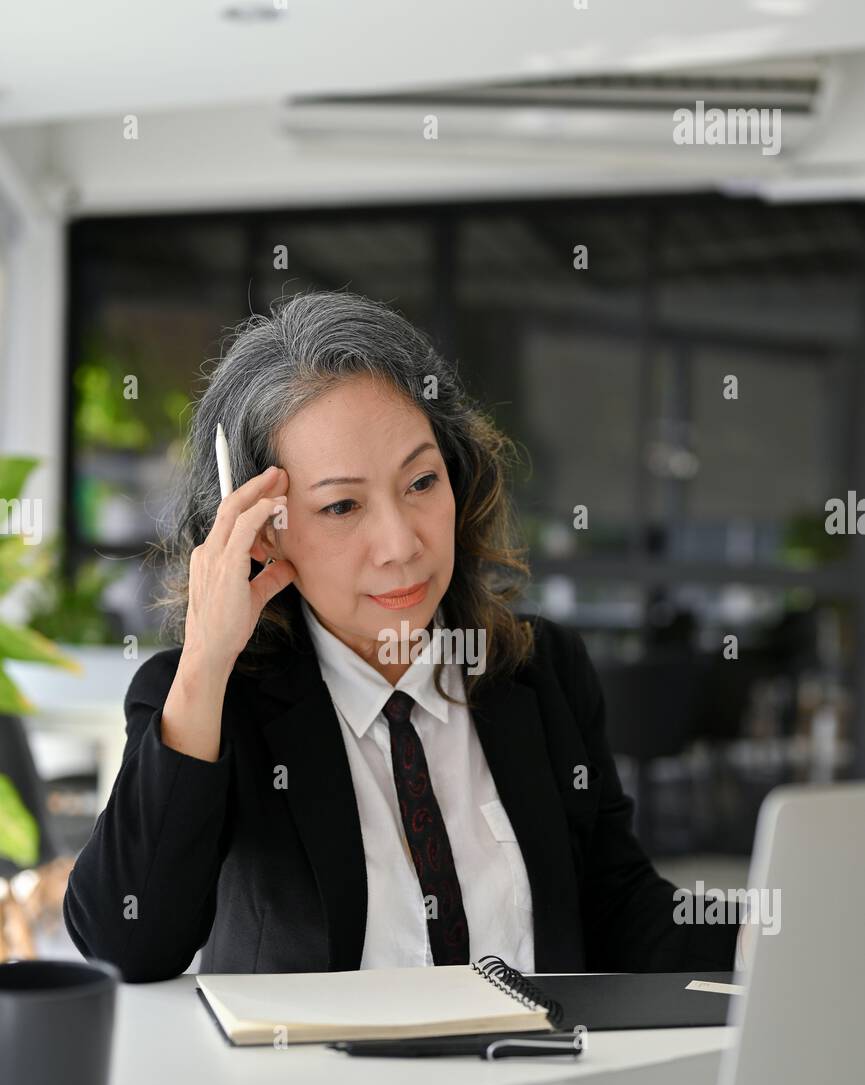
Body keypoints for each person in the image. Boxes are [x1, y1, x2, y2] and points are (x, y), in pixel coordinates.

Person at [63, 290, 746, 982]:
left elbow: (614, 906)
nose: (400, 544)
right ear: (262, 527)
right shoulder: (215, 703)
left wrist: (768, 934)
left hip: (524, 1078)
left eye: (421, 481)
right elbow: (126, 943)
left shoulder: (539, 671)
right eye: (340, 505)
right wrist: (208, 662)